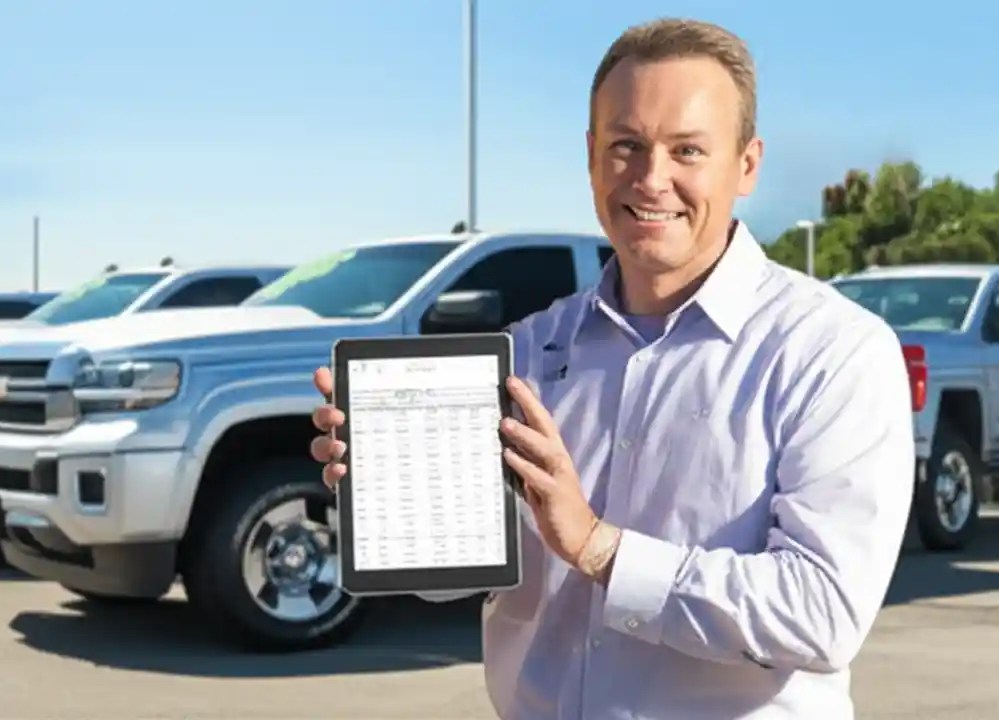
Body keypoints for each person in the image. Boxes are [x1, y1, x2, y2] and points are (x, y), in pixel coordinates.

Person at [310, 17, 915, 719]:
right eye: (626, 146)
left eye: (687, 150)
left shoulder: (830, 352)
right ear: (592, 156)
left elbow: (821, 614)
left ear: (747, 165)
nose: (651, 179)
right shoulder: (527, 353)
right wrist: (389, 494)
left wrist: (600, 549)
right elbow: (451, 581)